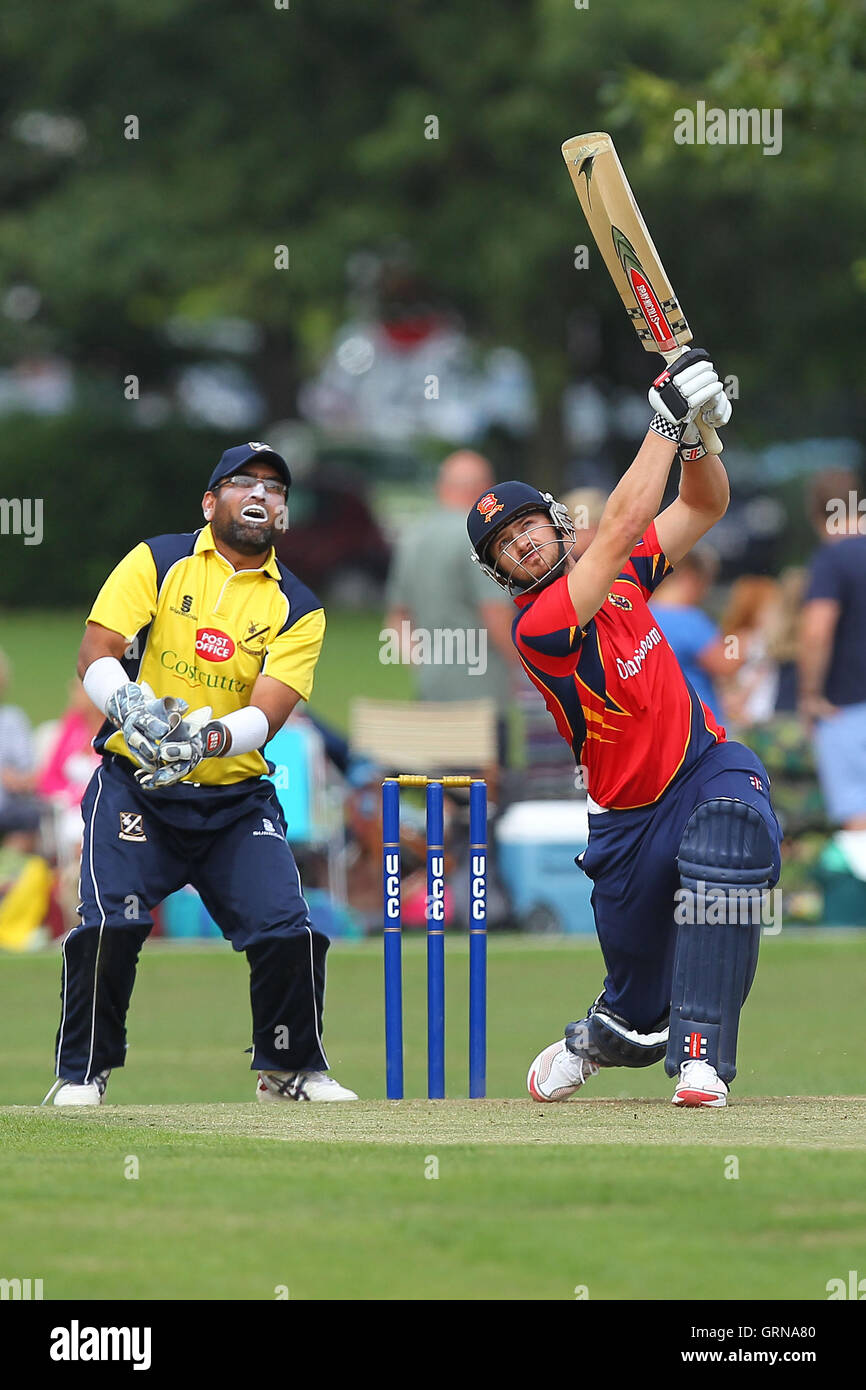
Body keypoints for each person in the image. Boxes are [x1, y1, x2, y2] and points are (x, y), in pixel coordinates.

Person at [467, 349, 782, 1108]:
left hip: (703, 765)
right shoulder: (541, 626)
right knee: (636, 1017)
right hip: (627, 820)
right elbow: (622, 523)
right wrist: (666, 420)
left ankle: (703, 1061)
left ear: (551, 520)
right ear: (505, 575)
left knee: (730, 846)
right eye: (508, 548)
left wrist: (699, 437)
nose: (525, 545)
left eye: (529, 529)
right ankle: (599, 1035)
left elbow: (704, 505)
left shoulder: (624, 574)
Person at [42, 442, 357, 1106]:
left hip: (234, 800)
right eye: (245, 482)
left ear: (284, 515)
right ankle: (82, 1075)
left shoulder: (299, 606)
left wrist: (203, 738)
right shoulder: (158, 560)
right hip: (137, 786)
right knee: (112, 924)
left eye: (275, 489)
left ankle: (290, 1068)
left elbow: (269, 712)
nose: (262, 495)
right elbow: (94, 652)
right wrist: (133, 709)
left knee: (285, 929)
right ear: (210, 502)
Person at [384, 450, 517, 766]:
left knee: (441, 798)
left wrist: (427, 663)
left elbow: (396, 619)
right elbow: (495, 613)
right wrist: (528, 664)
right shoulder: (479, 536)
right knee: (485, 803)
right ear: (484, 490)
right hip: (482, 698)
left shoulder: (412, 537)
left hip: (431, 694)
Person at [800, 469, 866, 831]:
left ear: (815, 512)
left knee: (859, 822)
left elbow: (816, 631)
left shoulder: (833, 559)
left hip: (849, 708)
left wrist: (811, 695)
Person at [650, 546, 731, 718]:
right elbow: (725, 664)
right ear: (690, 578)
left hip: (659, 720)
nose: (706, 592)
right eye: (705, 583)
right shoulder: (690, 619)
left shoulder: (641, 612)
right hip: (698, 723)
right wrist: (739, 640)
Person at [0, 650, 42, 851]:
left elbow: (31, 777)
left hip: (8, 806)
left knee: (29, 816)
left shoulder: (12, 720)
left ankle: (9, 874)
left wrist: (16, 780)